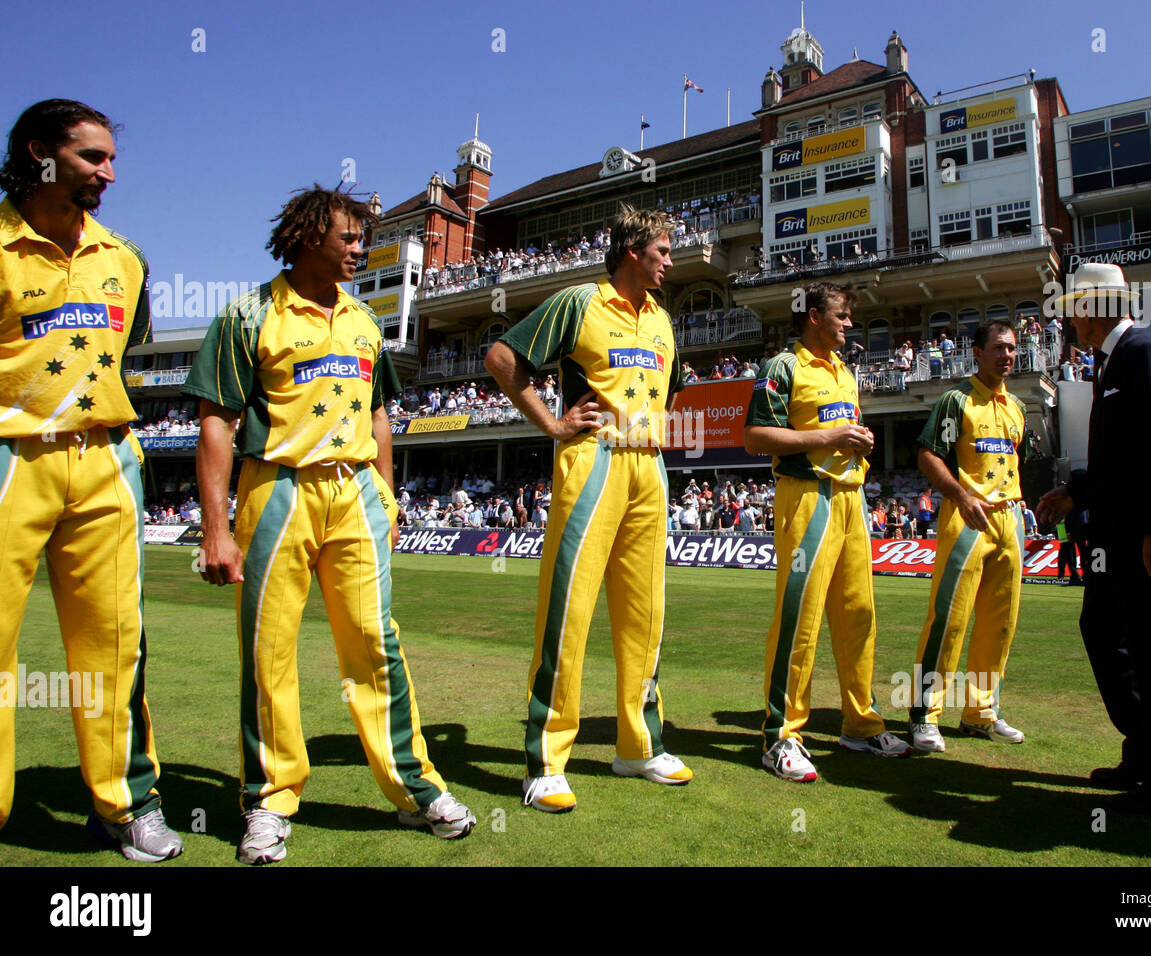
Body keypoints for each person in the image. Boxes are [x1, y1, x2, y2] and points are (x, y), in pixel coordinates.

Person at [185, 186, 476, 863]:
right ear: (310, 234)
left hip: (355, 494)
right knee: (268, 652)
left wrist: (386, 489)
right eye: (347, 238)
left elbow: (379, 414)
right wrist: (215, 528)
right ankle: (268, 800)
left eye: (361, 239)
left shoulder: (363, 320)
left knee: (377, 643)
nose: (358, 249)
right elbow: (216, 422)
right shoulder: (248, 314)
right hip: (276, 490)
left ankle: (414, 787)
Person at [0, 100, 184, 861]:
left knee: (115, 646)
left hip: (107, 458)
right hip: (12, 456)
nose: (108, 173)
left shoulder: (126, 258)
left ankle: (123, 804)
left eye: (111, 159)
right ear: (40, 153)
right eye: (91, 158)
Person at [484, 205, 692, 813]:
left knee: (645, 614)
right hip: (594, 458)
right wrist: (552, 422)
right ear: (632, 251)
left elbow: (671, 388)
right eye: (663, 251)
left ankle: (639, 745)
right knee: (569, 610)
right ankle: (545, 761)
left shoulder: (663, 320)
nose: (670, 262)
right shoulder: (580, 302)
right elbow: (503, 358)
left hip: (649, 464)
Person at [1038, 261, 1151, 813]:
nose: (1071, 322)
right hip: (1120, 543)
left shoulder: (1143, 354)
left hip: (1150, 544)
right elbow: (1123, 460)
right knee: (1106, 634)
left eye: (1076, 309)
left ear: (1095, 308)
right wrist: (1077, 492)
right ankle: (1145, 751)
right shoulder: (1112, 362)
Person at [744, 281, 911, 782]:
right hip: (807, 497)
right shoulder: (783, 366)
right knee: (801, 619)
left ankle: (860, 724)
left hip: (851, 499)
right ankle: (781, 735)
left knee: (858, 613)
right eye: (841, 315)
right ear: (814, 316)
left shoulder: (844, 371)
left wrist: (855, 441)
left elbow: (840, 432)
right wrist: (832, 436)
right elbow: (754, 436)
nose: (849, 323)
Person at [909, 320, 1028, 754]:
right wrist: (960, 494)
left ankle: (981, 712)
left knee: (1000, 622)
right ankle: (924, 714)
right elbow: (927, 455)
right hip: (967, 519)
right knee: (950, 619)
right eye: (998, 348)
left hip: (1009, 520)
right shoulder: (956, 401)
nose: (1007, 356)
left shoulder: (1017, 407)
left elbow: (1020, 461)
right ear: (977, 353)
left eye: (1012, 348)